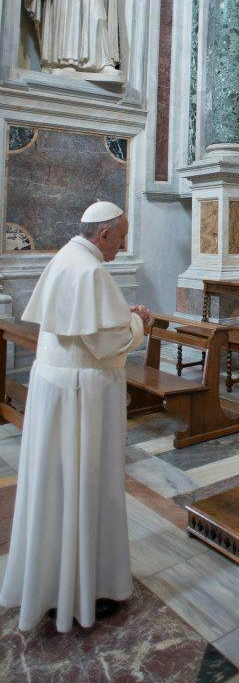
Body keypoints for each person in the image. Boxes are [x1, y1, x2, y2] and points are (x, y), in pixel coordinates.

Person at [0, 201, 152, 633]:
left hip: (56, 389)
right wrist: (140, 323)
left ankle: (51, 583)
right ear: (103, 235)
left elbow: (90, 328)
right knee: (86, 484)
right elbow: (107, 343)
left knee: (55, 487)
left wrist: (124, 320)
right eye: (120, 237)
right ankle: (81, 592)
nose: (122, 247)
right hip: (81, 394)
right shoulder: (91, 272)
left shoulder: (65, 258)